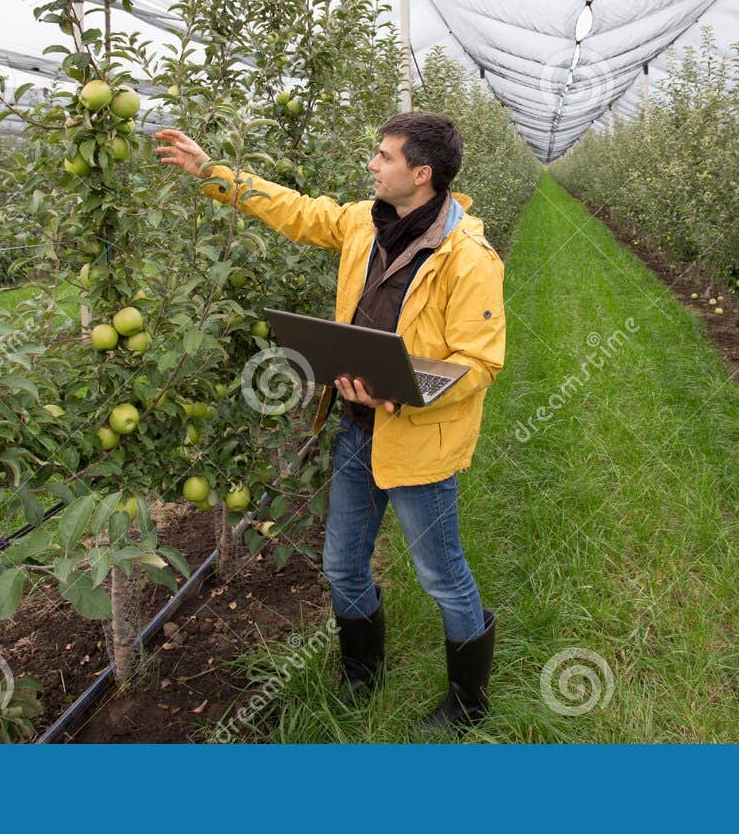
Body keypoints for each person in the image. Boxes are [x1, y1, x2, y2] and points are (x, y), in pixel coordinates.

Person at [154, 112, 506, 732]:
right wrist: (214, 172)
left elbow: (478, 362)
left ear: (420, 174)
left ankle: (468, 703)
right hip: (354, 431)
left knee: (441, 575)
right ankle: (360, 674)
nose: (372, 164)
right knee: (342, 564)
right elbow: (296, 211)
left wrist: (399, 394)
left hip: (416, 439)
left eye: (384, 156)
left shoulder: (467, 257)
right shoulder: (363, 223)